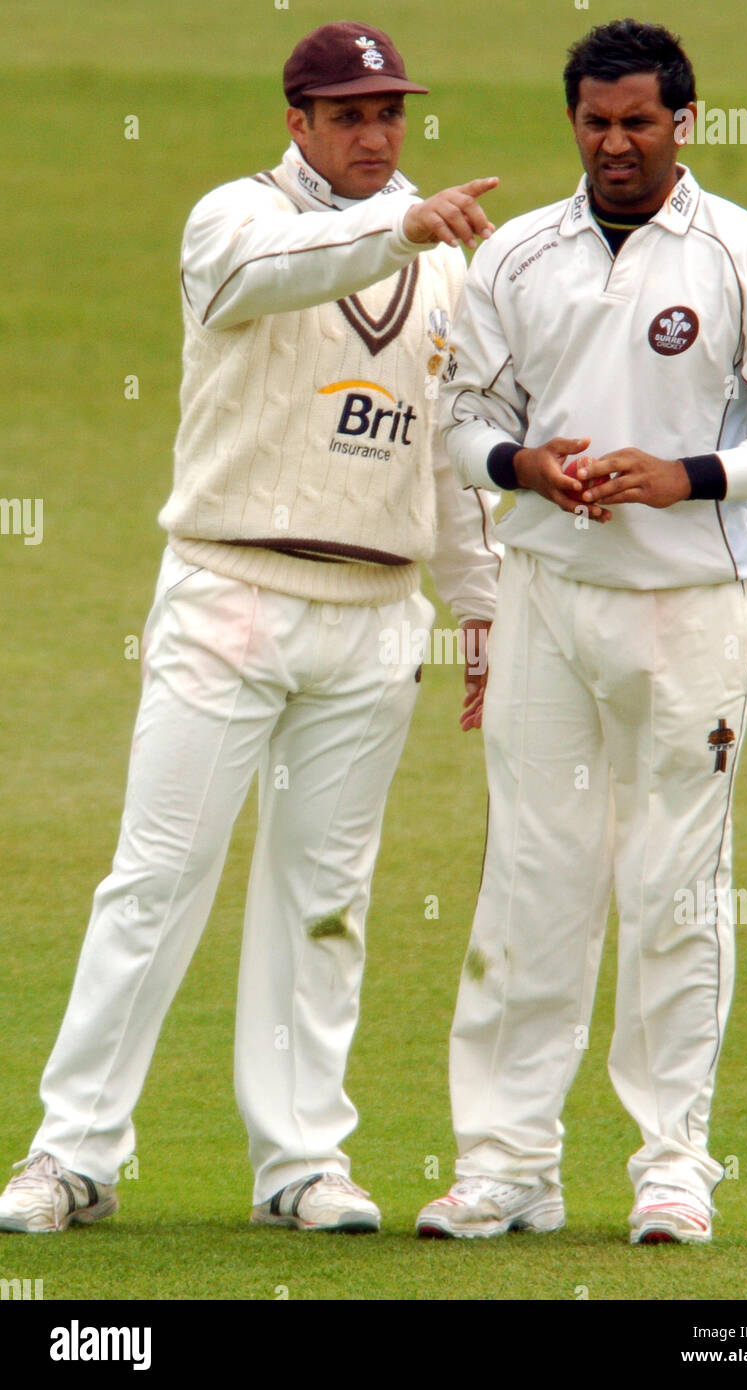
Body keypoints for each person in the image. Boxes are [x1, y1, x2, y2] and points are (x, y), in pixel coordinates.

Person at [0, 21, 501, 1236]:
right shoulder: (230, 218)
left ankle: (303, 1163)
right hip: (229, 594)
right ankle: (71, 1155)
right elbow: (265, 277)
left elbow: (446, 449)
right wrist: (398, 224)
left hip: (375, 616)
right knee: (156, 878)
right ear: (297, 124)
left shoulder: (441, 263)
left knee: (324, 900)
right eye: (347, 116)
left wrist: (479, 605)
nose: (373, 135)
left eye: (388, 113)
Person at [416, 17, 747, 1243]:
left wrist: (692, 474)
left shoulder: (744, 257)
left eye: (638, 122)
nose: (615, 144)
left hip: (688, 610)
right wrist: (521, 462)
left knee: (672, 883)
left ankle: (672, 1164)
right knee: (530, 878)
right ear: (572, 120)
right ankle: (507, 1164)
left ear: (685, 120)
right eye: (594, 122)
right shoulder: (516, 256)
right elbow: (458, 417)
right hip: (547, 599)